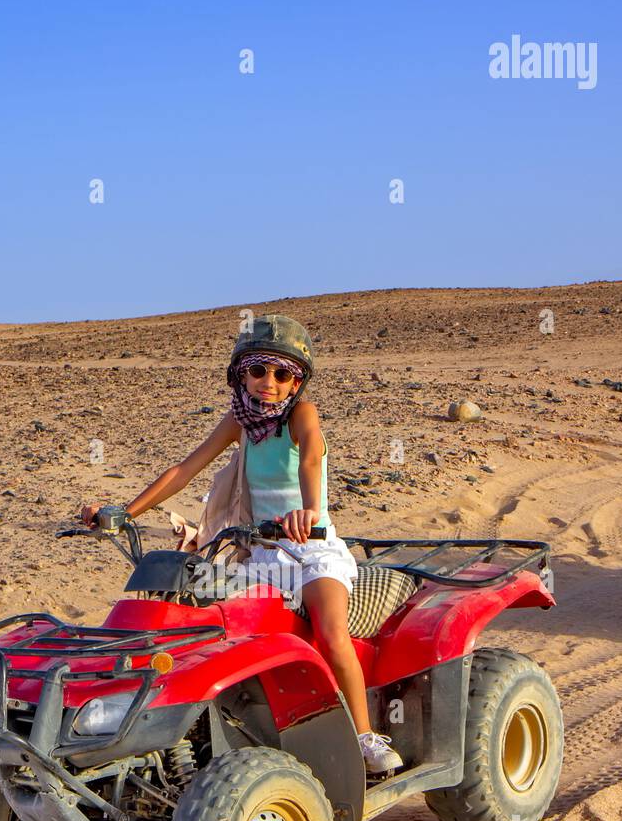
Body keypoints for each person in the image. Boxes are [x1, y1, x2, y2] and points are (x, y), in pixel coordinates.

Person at [81, 314, 402, 774]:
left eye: (282, 374)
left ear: (296, 383)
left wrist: (308, 512)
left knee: (331, 631)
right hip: (257, 552)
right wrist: (124, 512)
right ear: (241, 375)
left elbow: (311, 457)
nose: (268, 382)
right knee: (202, 620)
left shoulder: (301, 414)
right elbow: (184, 469)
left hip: (311, 548)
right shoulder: (240, 421)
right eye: (258, 370)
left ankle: (365, 737)